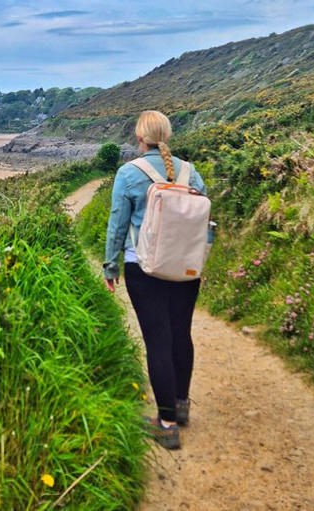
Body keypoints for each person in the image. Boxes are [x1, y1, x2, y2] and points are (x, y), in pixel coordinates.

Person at [103, 110, 207, 450]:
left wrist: (110, 267)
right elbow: (204, 228)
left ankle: (165, 424)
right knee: (181, 335)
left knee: (158, 341)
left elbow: (118, 224)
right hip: (186, 270)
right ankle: (180, 405)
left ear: (139, 137)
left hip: (144, 268)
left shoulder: (129, 173)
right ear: (167, 135)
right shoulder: (192, 173)